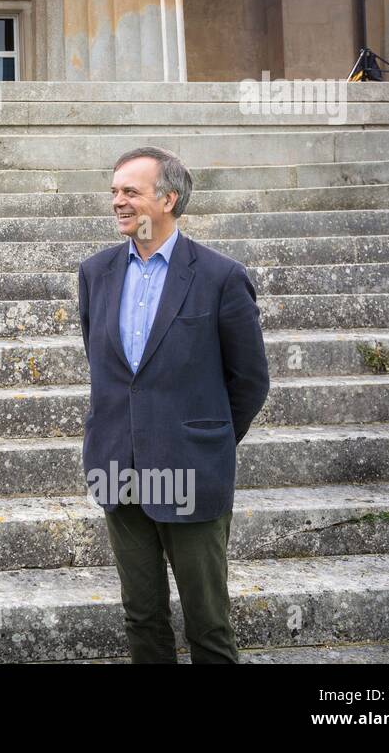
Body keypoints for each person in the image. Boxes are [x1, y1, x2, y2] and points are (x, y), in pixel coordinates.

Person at [76, 145, 270, 663]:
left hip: (191, 471)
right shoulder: (95, 273)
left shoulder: (220, 276)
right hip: (118, 468)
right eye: (114, 191)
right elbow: (111, 370)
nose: (118, 201)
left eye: (130, 192)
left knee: (208, 623)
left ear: (168, 199)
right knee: (142, 616)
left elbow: (249, 380)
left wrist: (206, 440)